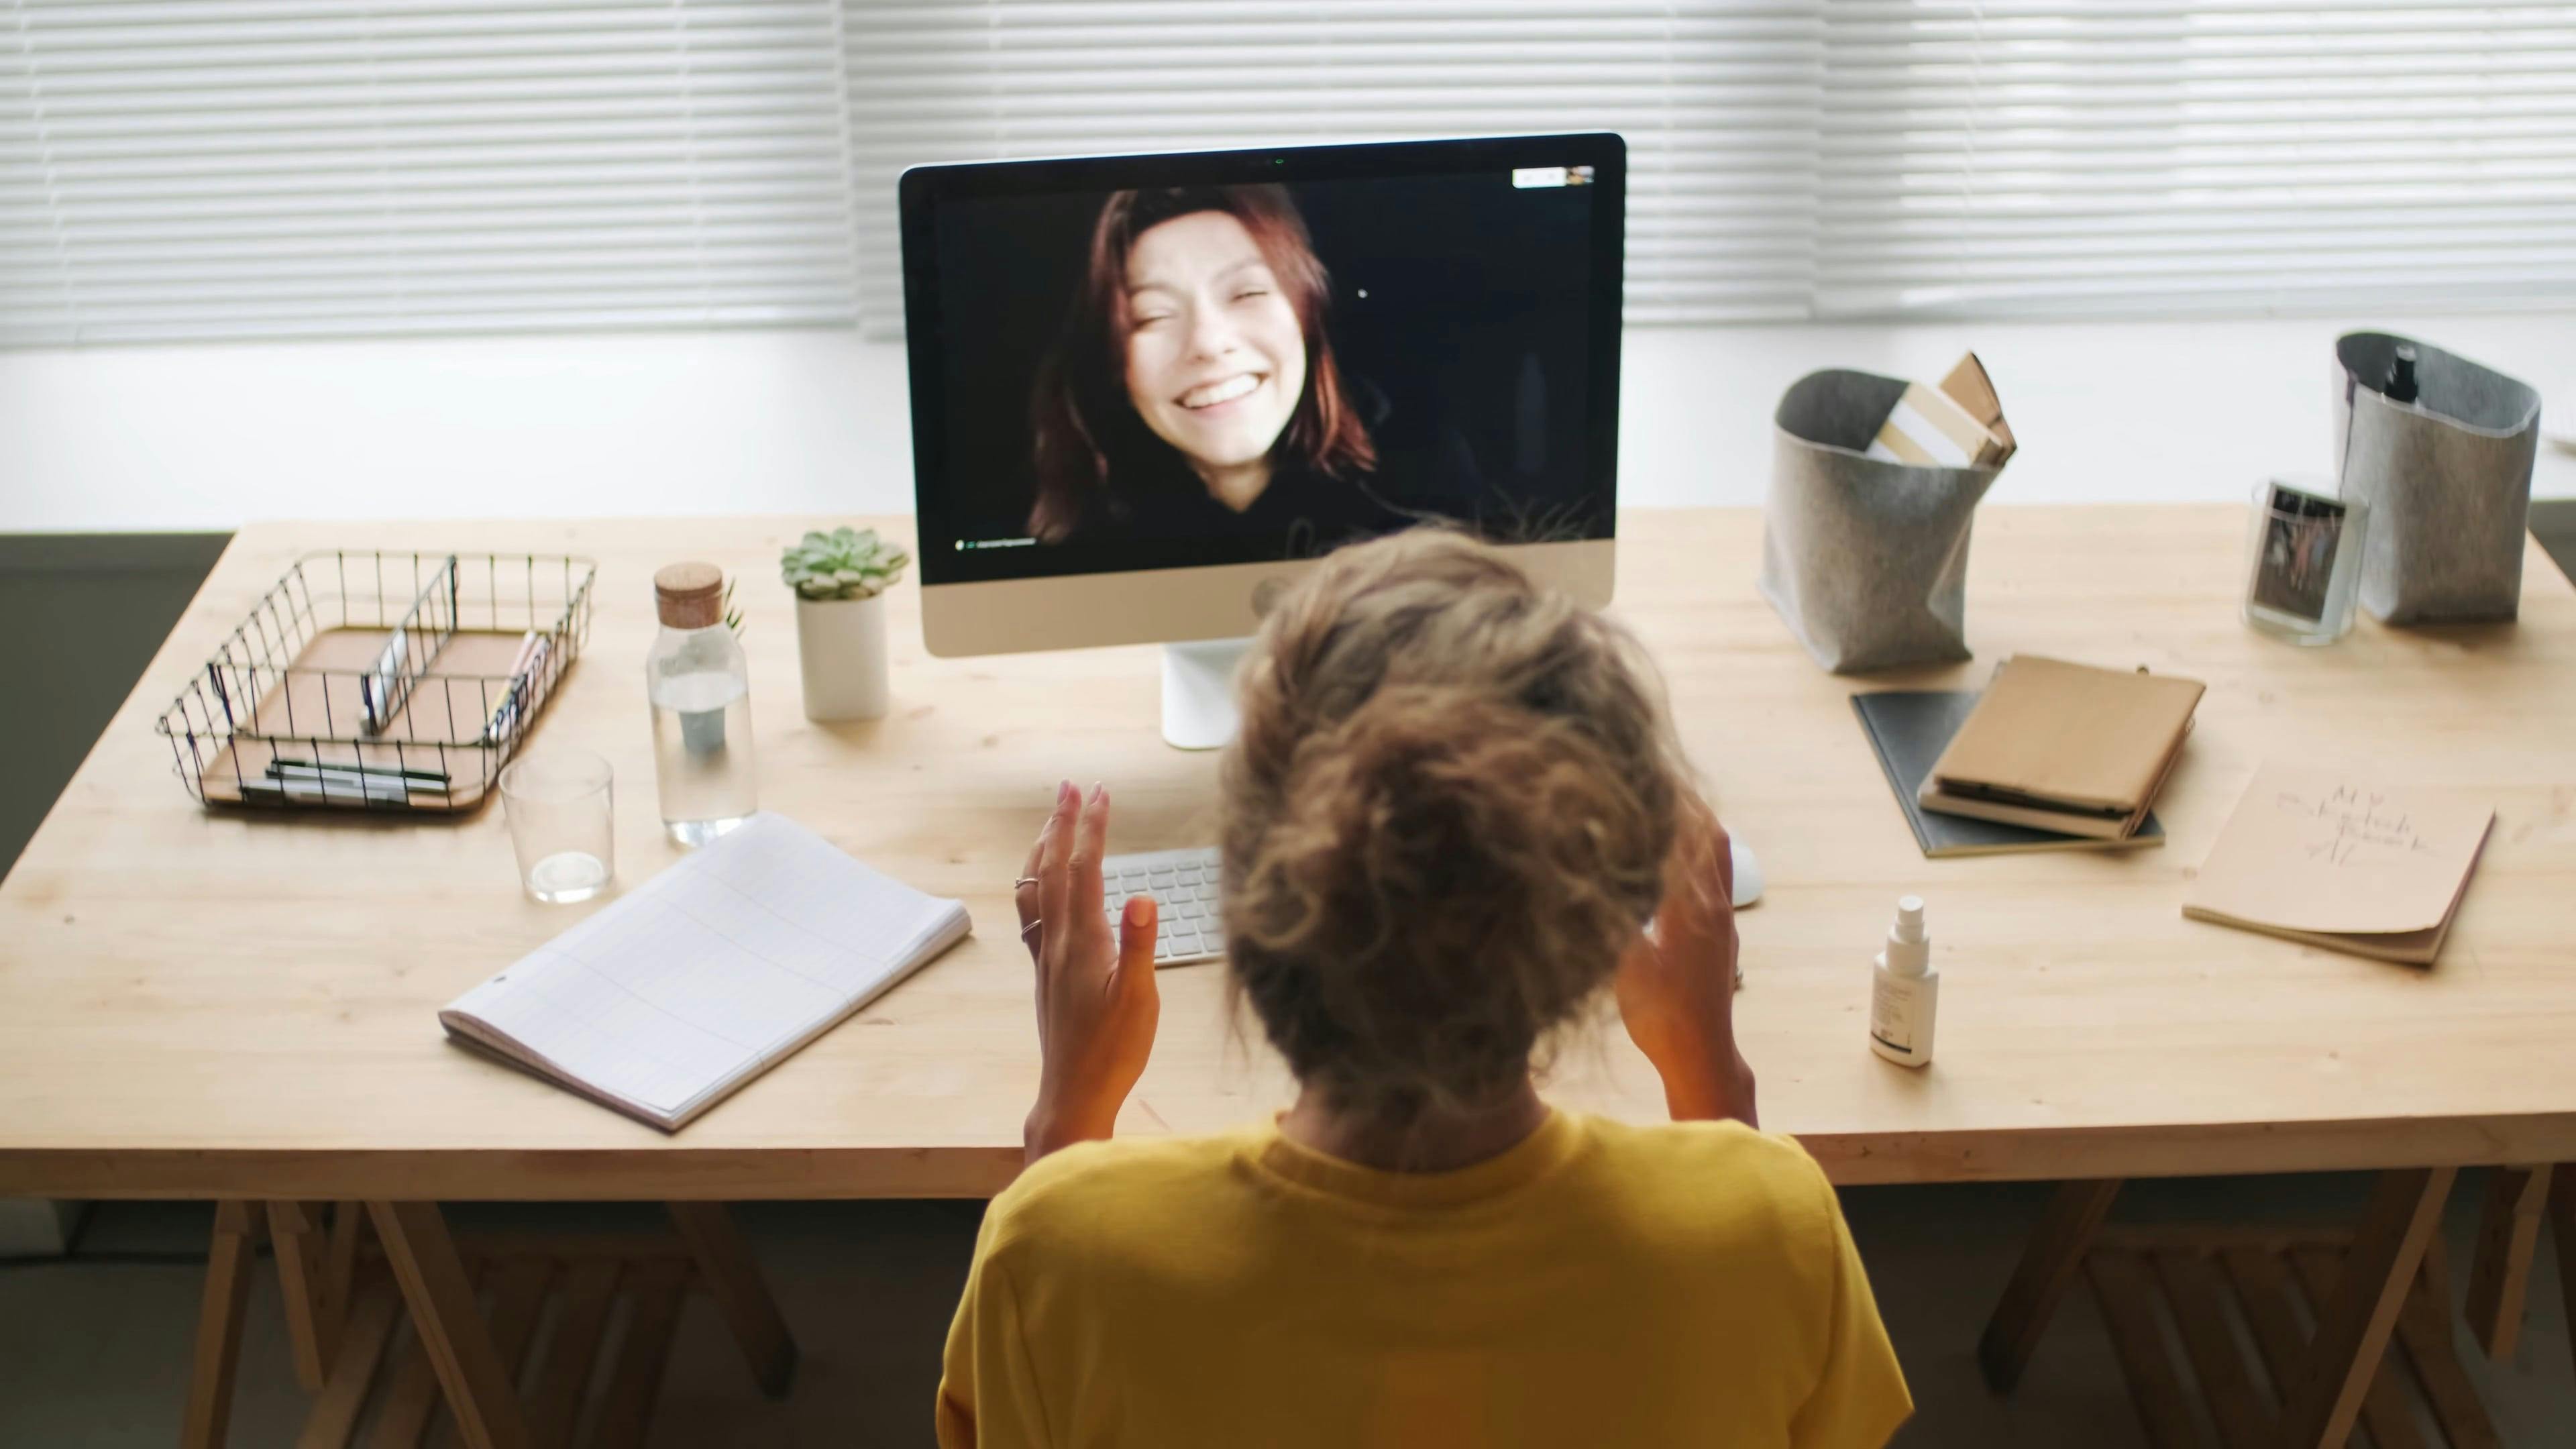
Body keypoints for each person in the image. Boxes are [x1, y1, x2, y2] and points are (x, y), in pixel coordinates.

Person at [938, 529, 1912, 1448]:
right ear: (1589, 934)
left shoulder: (1060, 1254)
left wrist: (1063, 1117)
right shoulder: (1774, 1227)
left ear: (1254, 899)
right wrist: (1711, 1072)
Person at [1026, 184, 1390, 547]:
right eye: (1153, 316)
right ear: (1115, 366)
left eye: (1246, 293)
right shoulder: (1076, 562)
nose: (1208, 344)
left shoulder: (1421, 526)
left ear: (1308, 315)